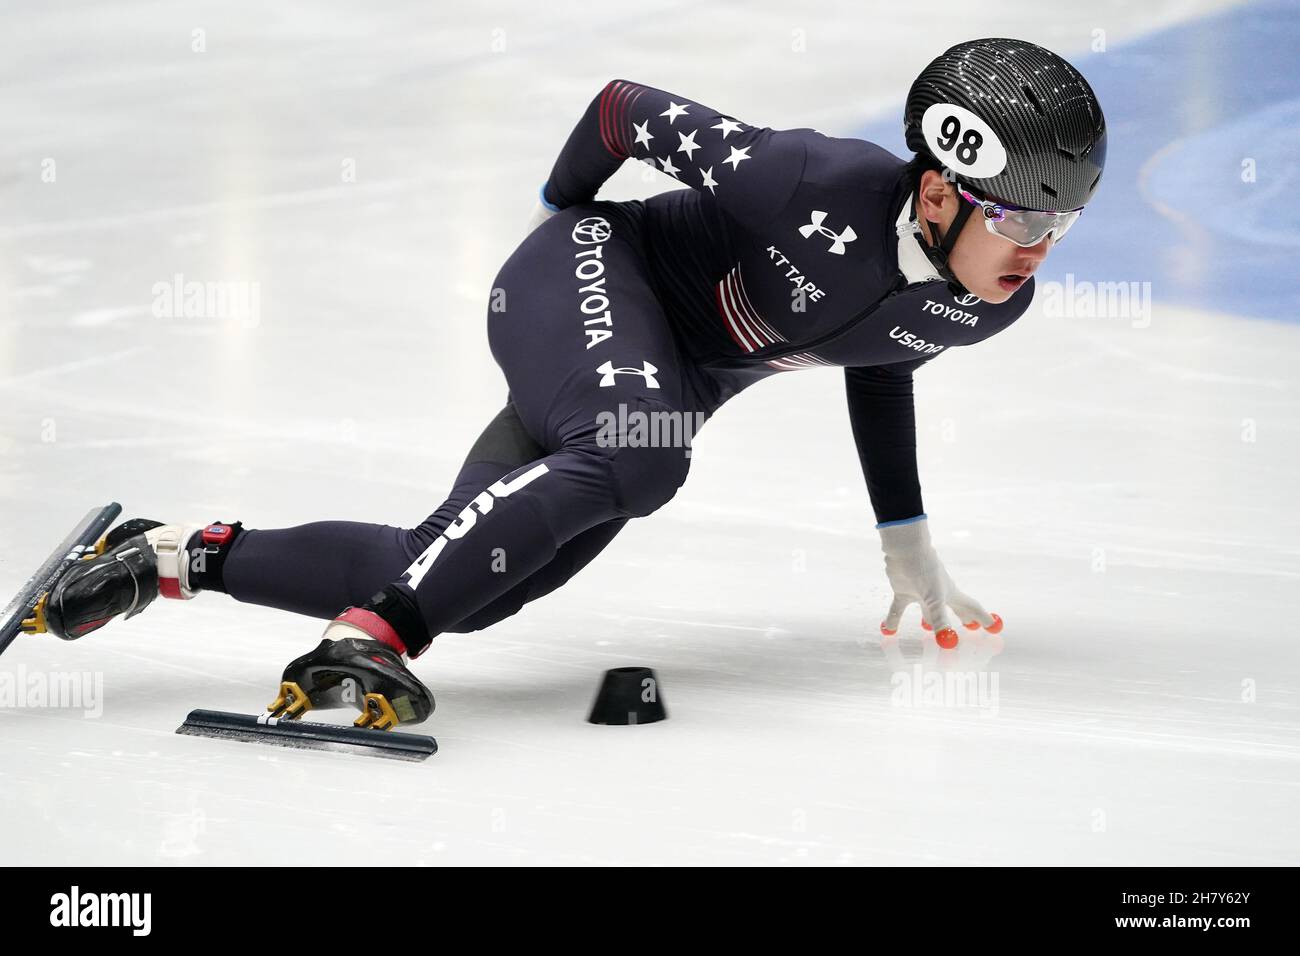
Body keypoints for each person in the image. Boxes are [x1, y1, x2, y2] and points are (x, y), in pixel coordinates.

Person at [38, 38, 1107, 728]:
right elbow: (621, 110)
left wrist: (903, 530)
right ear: (934, 193)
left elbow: (879, 367)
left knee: (490, 576)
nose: (1037, 248)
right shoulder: (804, 178)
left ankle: (171, 557)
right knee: (640, 452)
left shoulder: (989, 300)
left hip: (649, 375)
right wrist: (560, 213)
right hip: (590, 275)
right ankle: (370, 637)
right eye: (1018, 216)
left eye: (1058, 222)